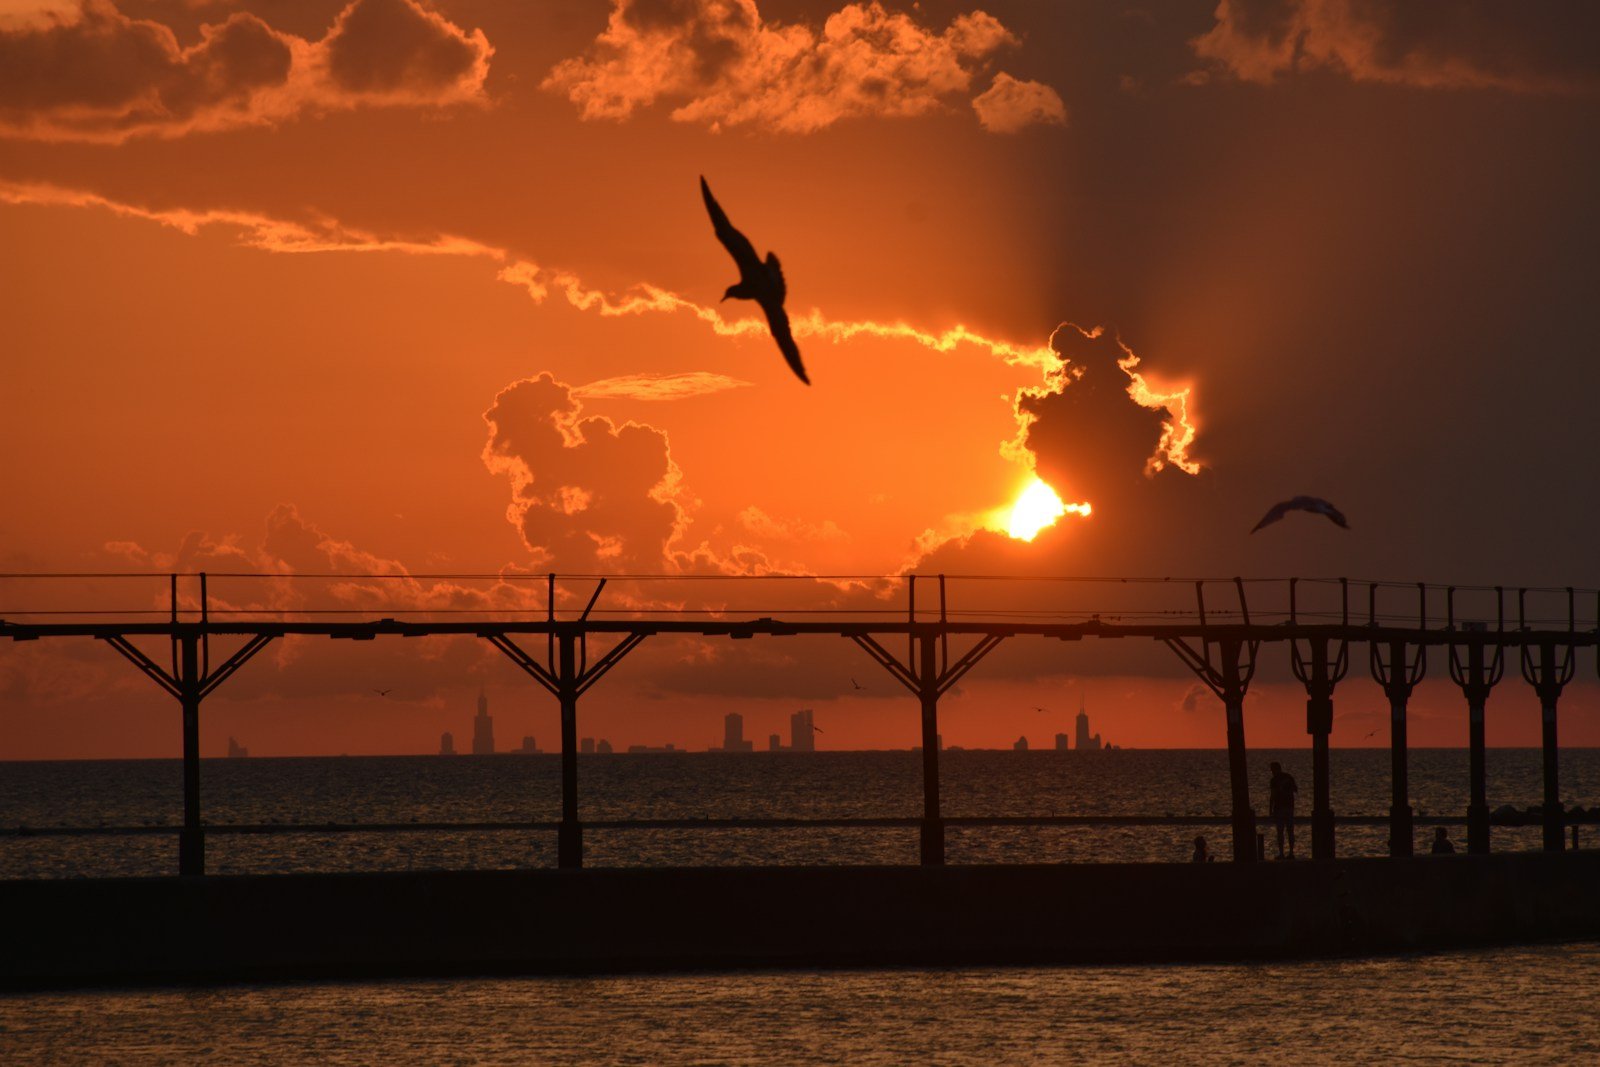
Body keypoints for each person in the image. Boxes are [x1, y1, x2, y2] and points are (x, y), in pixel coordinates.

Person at [1268, 761, 1298, 859]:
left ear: (1275, 769)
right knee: (1290, 831)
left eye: (1272, 770)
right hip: (1289, 807)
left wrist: (1270, 809)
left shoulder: (1274, 780)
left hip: (1279, 808)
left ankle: (1281, 853)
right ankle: (1291, 853)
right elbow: (1295, 790)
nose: (1271, 772)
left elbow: (1273, 795)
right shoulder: (1289, 777)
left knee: (1280, 831)